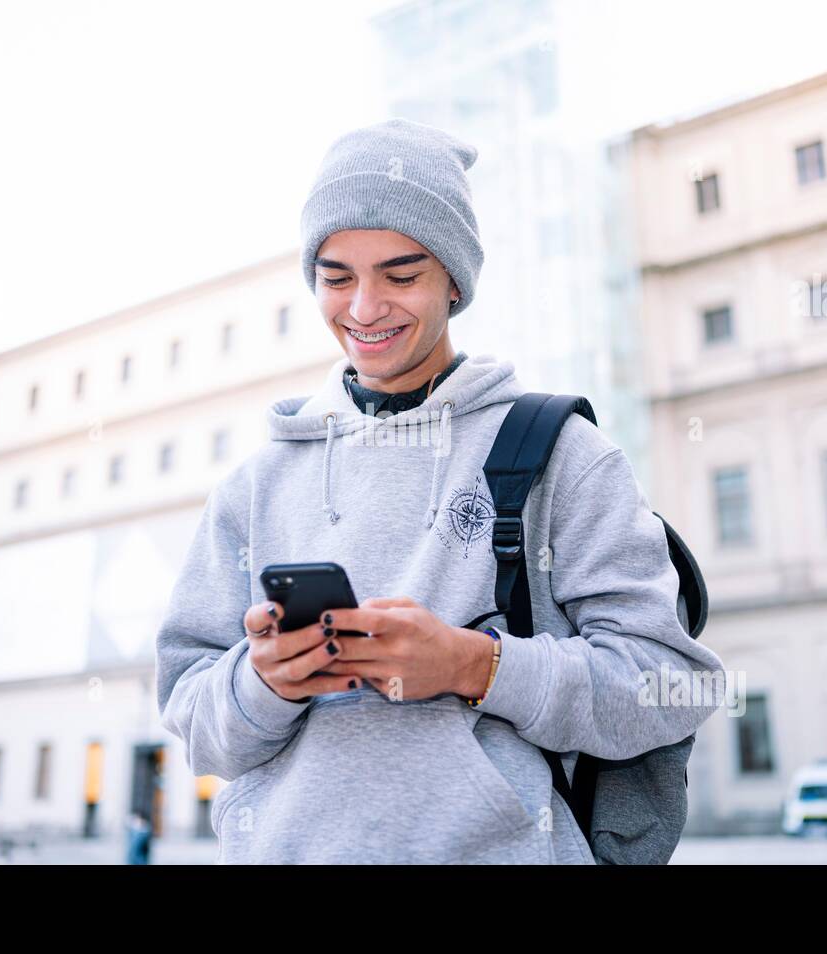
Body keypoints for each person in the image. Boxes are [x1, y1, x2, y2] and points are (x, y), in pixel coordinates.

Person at [155, 117, 727, 864]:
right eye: (336, 276)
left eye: (400, 274)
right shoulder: (255, 484)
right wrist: (263, 680)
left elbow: (670, 686)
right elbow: (192, 717)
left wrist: (474, 666)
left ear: (454, 281)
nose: (363, 308)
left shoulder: (563, 454)